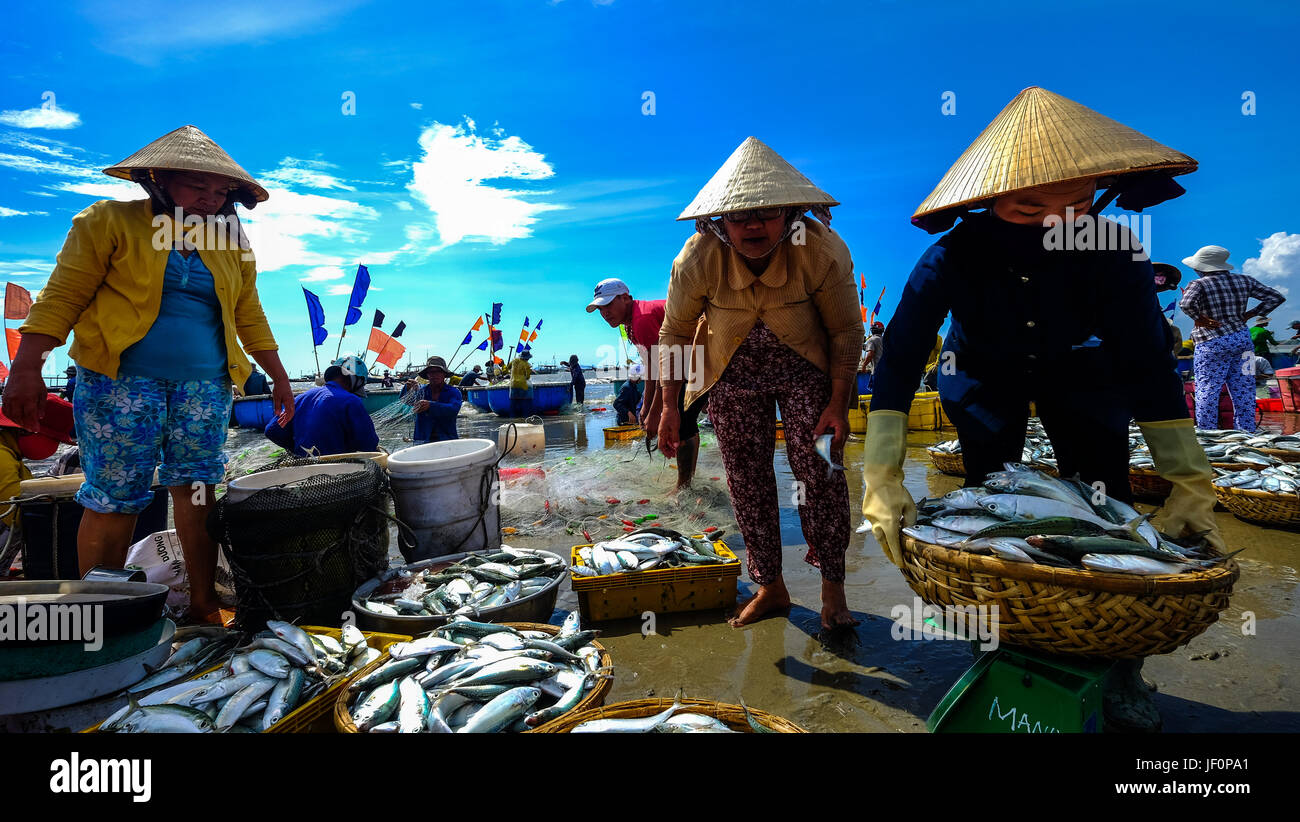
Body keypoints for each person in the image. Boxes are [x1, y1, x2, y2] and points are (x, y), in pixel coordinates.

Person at [861, 87, 1225, 732]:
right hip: (979, 368)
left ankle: (1121, 663)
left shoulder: (1114, 247)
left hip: (1081, 365)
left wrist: (1189, 478)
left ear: (1100, 195)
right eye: (1030, 207)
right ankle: (993, 640)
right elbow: (901, 355)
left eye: (1077, 204)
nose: (1057, 219)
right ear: (989, 200)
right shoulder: (954, 252)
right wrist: (882, 475)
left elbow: (1144, 359)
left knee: (1104, 496)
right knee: (989, 497)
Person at [6, 125, 292, 625]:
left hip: (205, 387)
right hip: (118, 384)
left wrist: (279, 375)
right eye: (196, 185)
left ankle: (203, 605)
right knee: (114, 499)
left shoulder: (231, 242)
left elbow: (249, 312)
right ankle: (100, 620)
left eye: (221, 190)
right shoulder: (108, 221)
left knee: (198, 492)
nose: (210, 199)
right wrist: (27, 366)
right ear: (158, 179)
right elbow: (63, 297)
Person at [658, 137, 863, 630]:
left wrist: (838, 403)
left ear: (791, 213)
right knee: (747, 480)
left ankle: (832, 588)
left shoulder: (820, 250)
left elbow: (845, 330)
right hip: (730, 372)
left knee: (819, 470)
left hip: (804, 370)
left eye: (768, 213)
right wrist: (669, 407)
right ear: (719, 222)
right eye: (740, 216)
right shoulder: (697, 258)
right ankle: (770, 586)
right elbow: (675, 332)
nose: (753, 225)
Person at [588, 276, 706, 490]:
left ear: (626, 298)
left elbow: (666, 367)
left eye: (608, 305)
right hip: (687, 356)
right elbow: (651, 366)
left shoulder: (641, 319)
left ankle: (684, 486)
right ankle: (687, 482)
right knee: (685, 420)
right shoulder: (631, 324)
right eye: (600, 309)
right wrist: (646, 405)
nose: (604, 313)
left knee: (682, 421)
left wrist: (654, 412)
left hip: (697, 353)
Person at [1179, 245, 1284, 432]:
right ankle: (1246, 431)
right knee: (1245, 388)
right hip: (1242, 341)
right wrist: (1250, 314)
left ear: (1201, 267)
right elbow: (1275, 297)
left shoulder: (1199, 284)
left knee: (1207, 389)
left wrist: (1200, 318)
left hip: (1212, 342)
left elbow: (1186, 304)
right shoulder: (1244, 280)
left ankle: (1208, 432)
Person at [266, 356, 378, 457]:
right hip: (338, 471)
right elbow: (369, 445)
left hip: (301, 467)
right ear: (357, 380)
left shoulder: (302, 397)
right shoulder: (351, 401)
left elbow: (272, 430)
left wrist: (298, 449)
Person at [404, 356, 462, 443]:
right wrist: (407, 389)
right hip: (422, 440)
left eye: (438, 371)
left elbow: (453, 409)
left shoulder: (453, 392)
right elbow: (407, 401)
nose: (434, 375)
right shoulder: (421, 391)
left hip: (447, 439)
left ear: (444, 374)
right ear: (427, 375)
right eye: (431, 372)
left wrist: (430, 405)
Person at [1153, 262, 1183, 358]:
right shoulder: (1141, 294)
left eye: (1163, 275)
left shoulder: (1152, 295)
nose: (1161, 278)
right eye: (1157, 275)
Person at [860, 321, 884, 391]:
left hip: (877, 372)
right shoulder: (884, 340)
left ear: (872, 330)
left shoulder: (872, 340)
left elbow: (870, 354)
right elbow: (870, 348)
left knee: (876, 394)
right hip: (886, 372)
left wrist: (864, 366)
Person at [508, 350, 533, 417]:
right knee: (526, 403)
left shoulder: (514, 360)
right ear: (527, 358)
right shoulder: (527, 364)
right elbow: (527, 377)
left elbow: (508, 367)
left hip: (513, 384)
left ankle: (512, 418)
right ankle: (526, 418)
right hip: (523, 385)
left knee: (513, 403)